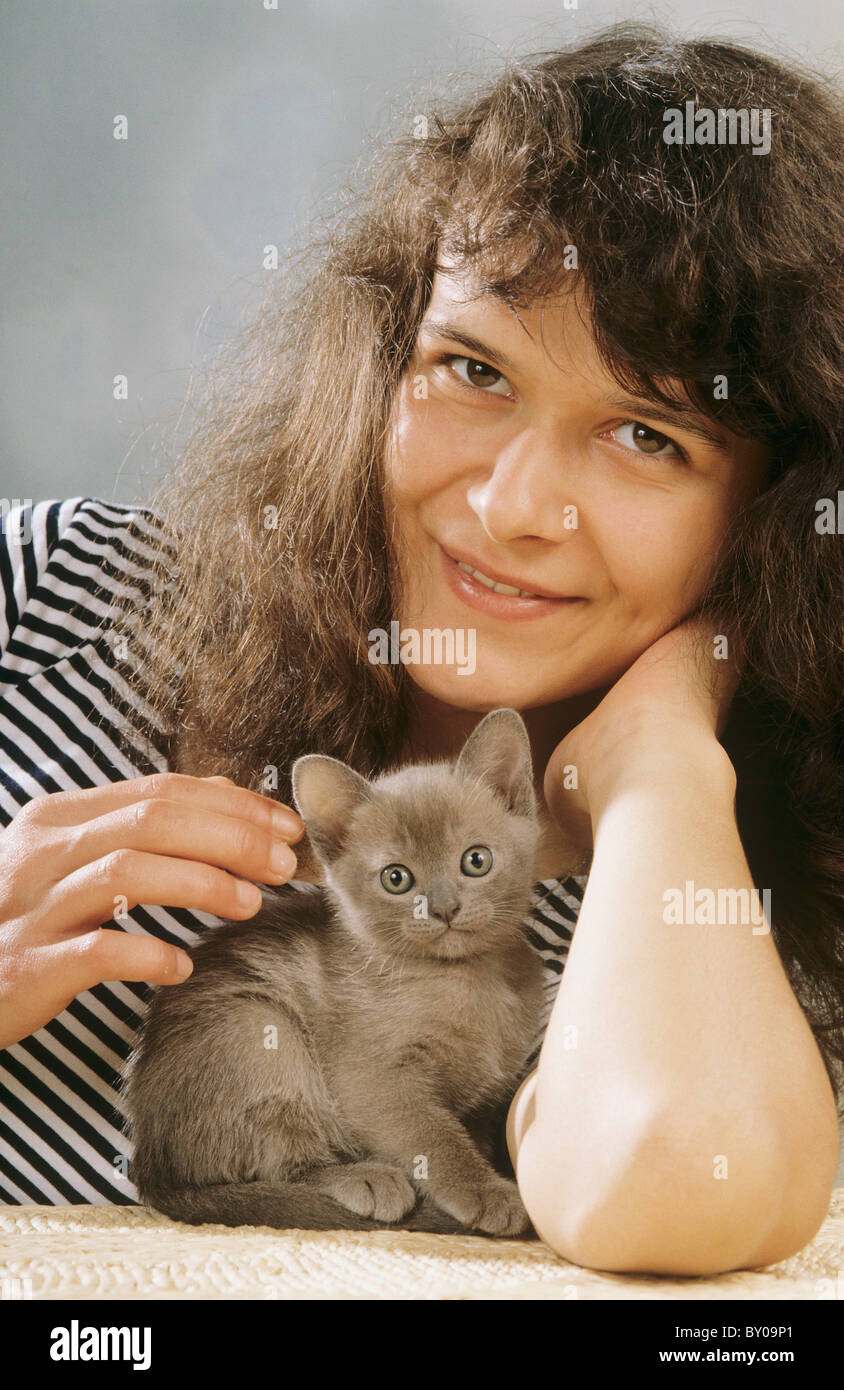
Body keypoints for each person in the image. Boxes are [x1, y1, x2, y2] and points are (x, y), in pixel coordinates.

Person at [0, 23, 841, 1276]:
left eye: (648, 438)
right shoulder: (47, 592)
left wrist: (662, 764)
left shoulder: (753, 938)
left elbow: (675, 1177)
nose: (509, 507)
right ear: (380, 362)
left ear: (775, 519)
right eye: (471, 368)